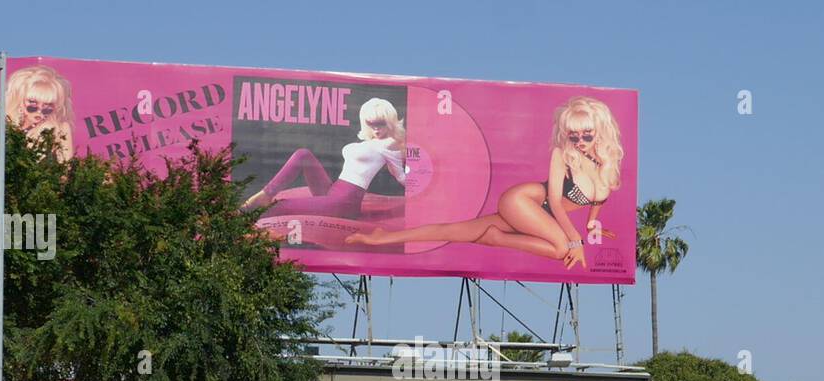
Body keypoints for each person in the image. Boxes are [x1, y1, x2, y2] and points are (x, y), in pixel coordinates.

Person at [346, 96, 624, 270]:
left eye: (586, 135)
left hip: (538, 215)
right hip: (524, 202)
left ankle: (383, 237)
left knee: (456, 231)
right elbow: (554, 201)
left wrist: (591, 224)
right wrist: (576, 240)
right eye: (573, 136)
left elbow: (597, 200)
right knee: (562, 247)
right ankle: (497, 239)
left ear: (600, 132)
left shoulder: (607, 165)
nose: (579, 142)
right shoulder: (562, 154)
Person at [242, 97, 406, 218]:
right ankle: (266, 194)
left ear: (390, 121)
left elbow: (402, 177)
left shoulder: (390, 144)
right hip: (332, 191)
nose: (376, 129)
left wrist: (421, 179)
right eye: (372, 123)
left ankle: (243, 219)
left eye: (381, 123)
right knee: (303, 154)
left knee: (281, 206)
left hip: (345, 203)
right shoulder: (370, 141)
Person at [6, 65, 75, 162]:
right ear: (19, 101)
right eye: (33, 103)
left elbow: (66, 165)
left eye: (47, 106)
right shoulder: (10, 129)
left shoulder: (58, 128)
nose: (40, 110)